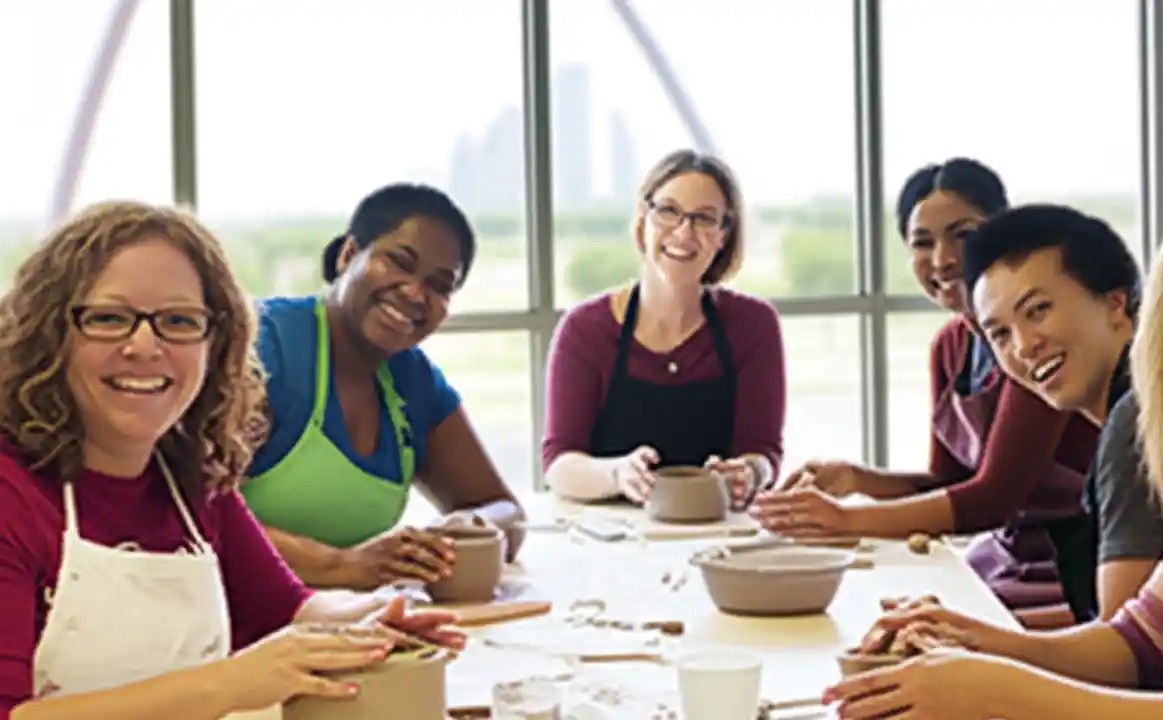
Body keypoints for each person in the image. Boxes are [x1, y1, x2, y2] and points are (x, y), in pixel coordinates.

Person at [826, 161, 1163, 719]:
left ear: (1118, 306)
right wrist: (978, 642)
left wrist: (991, 687)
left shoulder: (1133, 426)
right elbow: (1143, 641)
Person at [0, 201, 465, 720]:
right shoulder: (12, 494)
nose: (145, 345)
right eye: (109, 318)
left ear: (215, 344)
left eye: (179, 321)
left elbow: (286, 609)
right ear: (49, 334)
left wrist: (371, 618)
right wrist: (225, 685)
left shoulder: (191, 478)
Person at [753, 158, 1099, 624]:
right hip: (1007, 554)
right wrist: (858, 479)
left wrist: (844, 521)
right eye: (922, 243)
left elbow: (992, 499)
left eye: (964, 234)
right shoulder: (951, 345)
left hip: (1077, 566)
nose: (943, 259)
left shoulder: (1032, 347)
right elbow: (949, 484)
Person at [241, 183, 526, 590]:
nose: (415, 293)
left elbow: (506, 512)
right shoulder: (267, 350)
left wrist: (460, 528)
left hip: (342, 626)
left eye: (440, 285)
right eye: (399, 262)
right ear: (348, 255)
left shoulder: (415, 383)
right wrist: (342, 566)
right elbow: (192, 518)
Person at [964, 203, 1163, 621]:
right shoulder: (1136, 403)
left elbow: (1127, 651)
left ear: (1116, 303)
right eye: (1000, 334)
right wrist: (969, 630)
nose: (1024, 345)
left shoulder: (1136, 420)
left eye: (1038, 311)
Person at [542, 150, 785, 508]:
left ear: (723, 235)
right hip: (612, 538)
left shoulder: (755, 325)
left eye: (704, 218)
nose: (684, 233)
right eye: (669, 211)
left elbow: (763, 451)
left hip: (719, 533)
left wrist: (749, 474)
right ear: (643, 219)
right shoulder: (585, 329)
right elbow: (559, 463)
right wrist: (617, 474)